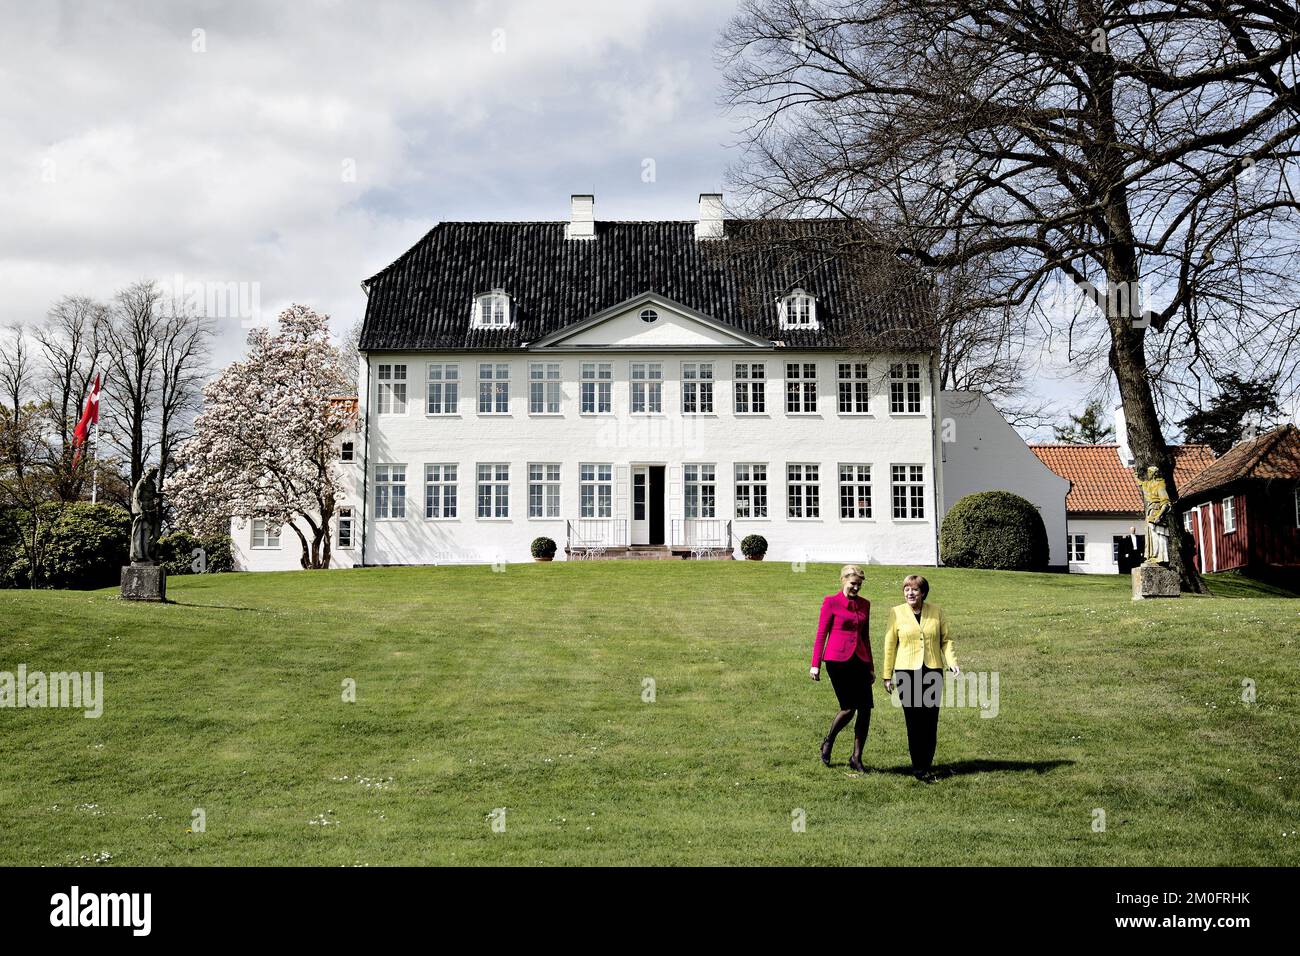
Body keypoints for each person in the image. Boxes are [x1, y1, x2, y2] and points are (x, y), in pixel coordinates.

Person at [882, 574, 958, 782]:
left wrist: (952, 662)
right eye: (907, 589)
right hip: (906, 671)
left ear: (923, 592)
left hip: (932, 671)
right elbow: (890, 645)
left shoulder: (936, 612)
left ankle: (926, 762)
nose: (910, 593)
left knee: (930, 720)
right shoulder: (896, 613)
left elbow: (946, 640)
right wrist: (887, 675)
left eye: (914, 589)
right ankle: (918, 767)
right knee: (913, 721)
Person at [809, 565, 874, 772]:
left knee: (865, 710)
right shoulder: (831, 602)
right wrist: (815, 665)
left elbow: (865, 636)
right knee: (848, 708)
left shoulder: (865, 605)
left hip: (860, 661)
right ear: (843, 580)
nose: (856, 588)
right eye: (853, 583)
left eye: (859, 585)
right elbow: (821, 634)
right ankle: (828, 741)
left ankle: (856, 758)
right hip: (837, 661)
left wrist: (871, 666)